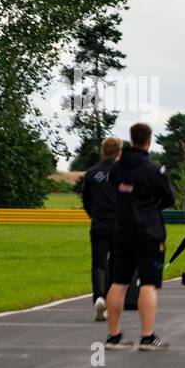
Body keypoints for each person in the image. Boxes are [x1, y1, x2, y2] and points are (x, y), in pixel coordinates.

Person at [104, 123, 174, 350]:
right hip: (148, 232)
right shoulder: (153, 169)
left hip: (122, 230)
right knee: (148, 283)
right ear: (149, 140)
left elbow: (114, 190)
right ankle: (147, 336)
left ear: (131, 139)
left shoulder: (117, 168)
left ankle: (113, 335)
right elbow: (169, 198)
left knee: (119, 281)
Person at [81, 136, 121, 321]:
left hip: (99, 223)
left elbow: (86, 201)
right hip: (119, 224)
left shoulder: (91, 173)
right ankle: (111, 301)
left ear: (103, 151)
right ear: (119, 152)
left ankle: (99, 297)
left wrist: (94, 215)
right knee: (116, 264)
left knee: (98, 264)